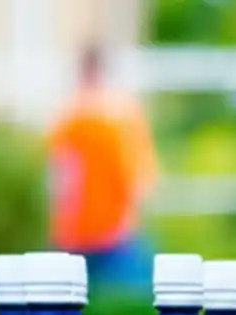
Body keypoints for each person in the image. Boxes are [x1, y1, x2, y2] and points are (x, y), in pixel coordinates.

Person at [47, 46, 158, 292]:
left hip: (94, 231)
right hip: (104, 231)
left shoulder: (71, 116)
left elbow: (59, 178)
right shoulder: (120, 115)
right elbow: (141, 178)